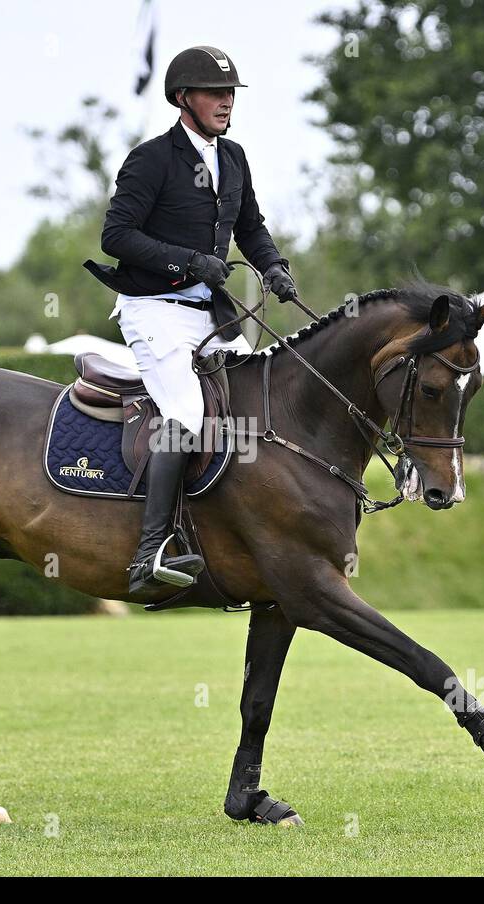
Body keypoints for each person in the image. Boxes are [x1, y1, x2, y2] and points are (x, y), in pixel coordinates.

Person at [84, 45, 297, 594]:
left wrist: (273, 265)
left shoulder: (236, 158)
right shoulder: (152, 159)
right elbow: (117, 236)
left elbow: (250, 226)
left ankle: (236, 533)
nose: (226, 103)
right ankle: (150, 552)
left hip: (209, 314)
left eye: (230, 94)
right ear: (184, 99)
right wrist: (187, 262)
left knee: (256, 404)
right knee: (184, 410)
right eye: (215, 94)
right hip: (153, 310)